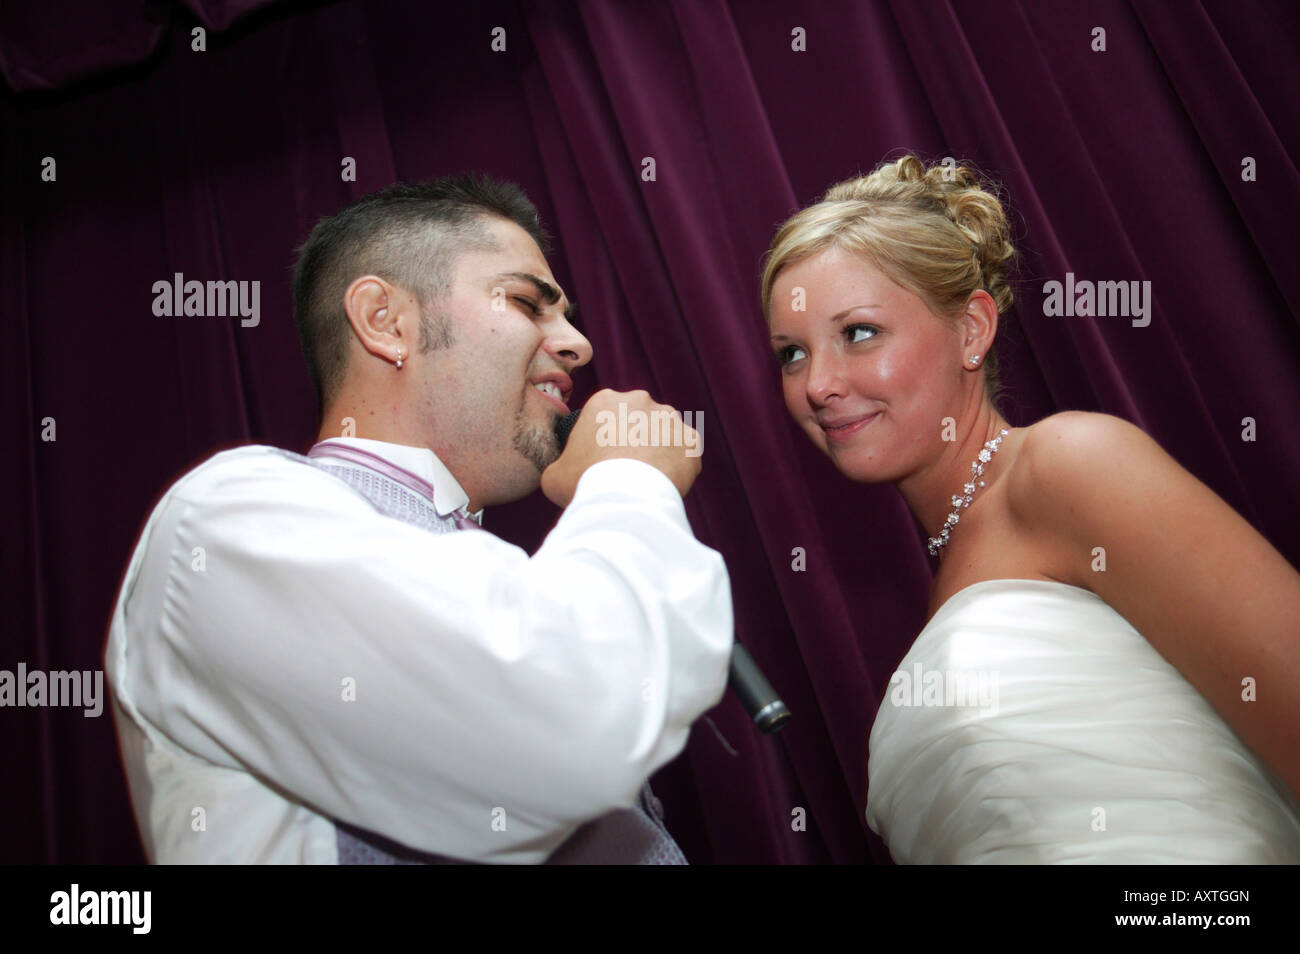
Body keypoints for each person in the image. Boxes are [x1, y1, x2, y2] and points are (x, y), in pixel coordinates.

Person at [105, 175, 732, 864]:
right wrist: (630, 477)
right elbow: (567, 725)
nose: (577, 342)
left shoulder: (508, 574)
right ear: (384, 320)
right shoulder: (222, 520)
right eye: (529, 302)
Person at [761, 155, 1300, 863]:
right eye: (792, 354)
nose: (819, 385)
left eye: (858, 332)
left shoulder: (1071, 464)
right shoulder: (955, 567)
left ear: (971, 330)